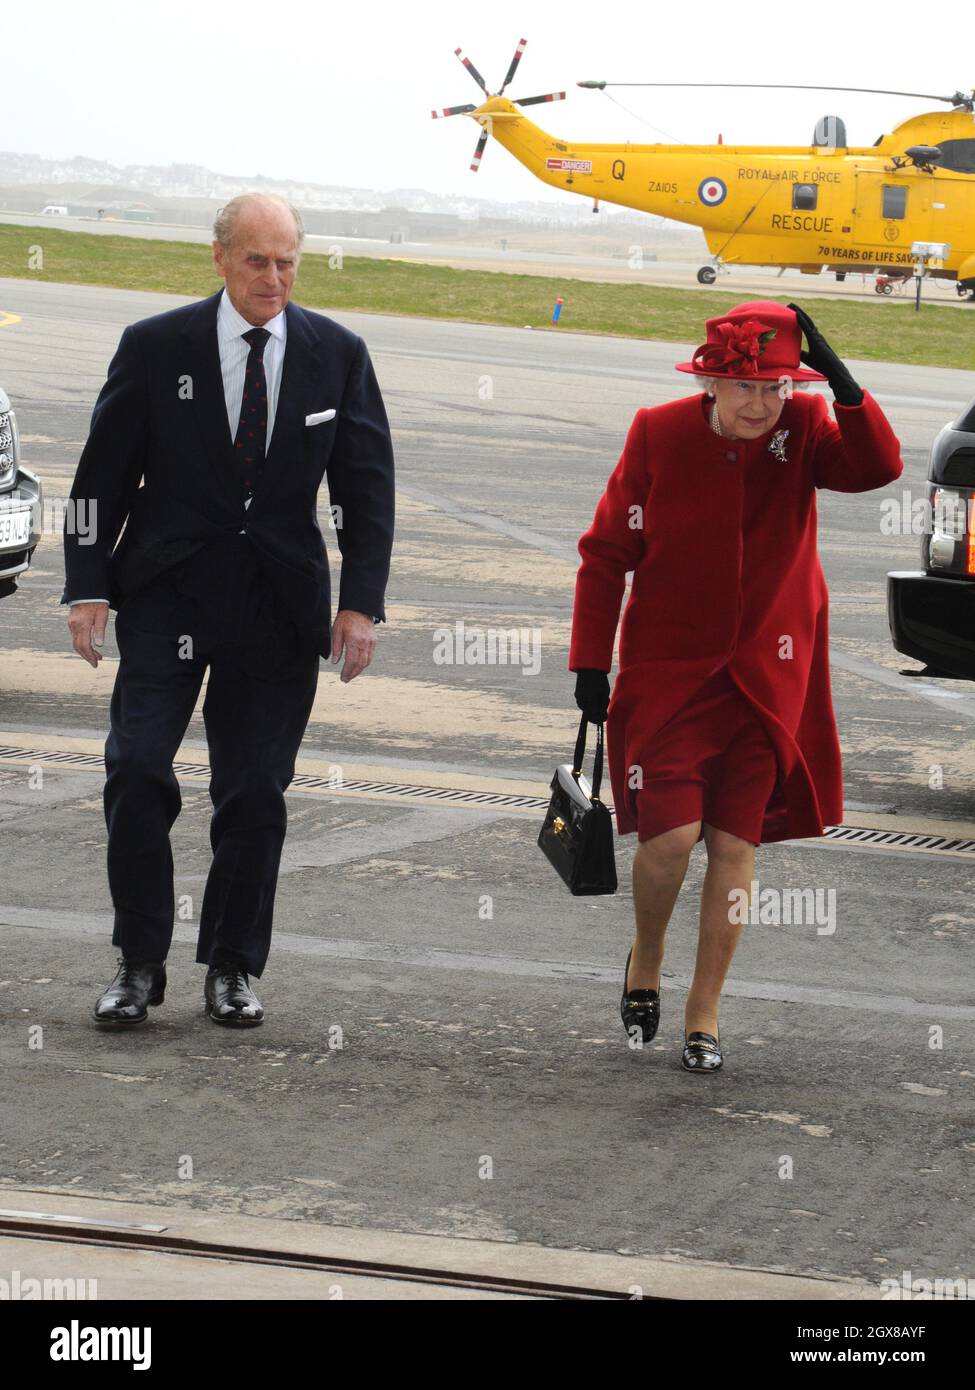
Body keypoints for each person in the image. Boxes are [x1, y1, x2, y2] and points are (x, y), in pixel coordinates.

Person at [63, 193, 395, 1029]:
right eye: (257, 260)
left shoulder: (337, 354)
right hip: (165, 593)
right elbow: (99, 479)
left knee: (254, 792)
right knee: (136, 771)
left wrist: (360, 604)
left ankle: (233, 966)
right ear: (219, 258)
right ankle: (139, 962)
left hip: (277, 610)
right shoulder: (154, 346)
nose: (273, 278)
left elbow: (365, 490)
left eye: (287, 262)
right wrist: (86, 585)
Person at [568, 300, 902, 1073]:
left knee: (732, 842)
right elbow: (604, 551)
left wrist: (840, 380)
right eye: (745, 386)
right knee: (669, 837)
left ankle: (703, 1011)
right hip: (669, 672)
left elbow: (876, 467)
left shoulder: (806, 427)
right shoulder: (657, 432)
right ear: (710, 381)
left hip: (764, 674)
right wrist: (590, 662)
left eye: (777, 386)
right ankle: (645, 956)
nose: (761, 404)